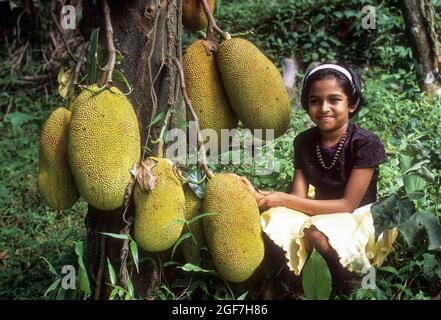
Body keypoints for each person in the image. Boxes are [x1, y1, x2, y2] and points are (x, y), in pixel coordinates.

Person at [238, 63, 398, 292]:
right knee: (273, 218)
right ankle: (286, 282)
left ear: (351, 104)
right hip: (318, 208)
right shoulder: (303, 141)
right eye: (315, 101)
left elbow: (347, 205)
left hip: (358, 215)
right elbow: (297, 197)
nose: (324, 108)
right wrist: (261, 197)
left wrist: (281, 199)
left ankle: (348, 285)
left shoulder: (365, 143)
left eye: (334, 100)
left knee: (316, 233)